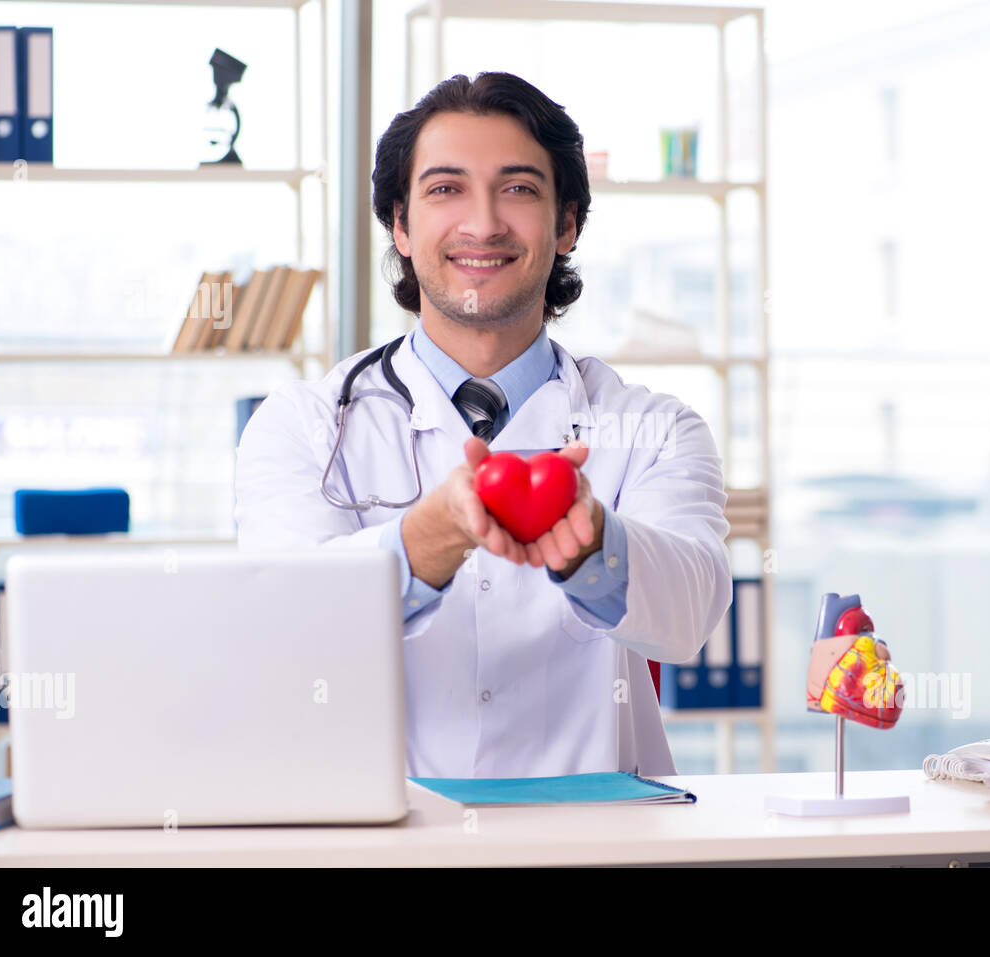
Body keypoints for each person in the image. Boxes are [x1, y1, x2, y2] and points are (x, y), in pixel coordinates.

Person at [234, 72, 731, 778]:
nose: (483, 223)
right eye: (446, 189)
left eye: (520, 188)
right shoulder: (302, 425)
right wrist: (425, 540)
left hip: (594, 844)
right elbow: (280, 628)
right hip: (382, 844)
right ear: (401, 226)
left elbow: (692, 611)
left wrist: (592, 545)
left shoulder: (653, 427)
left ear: (566, 225)